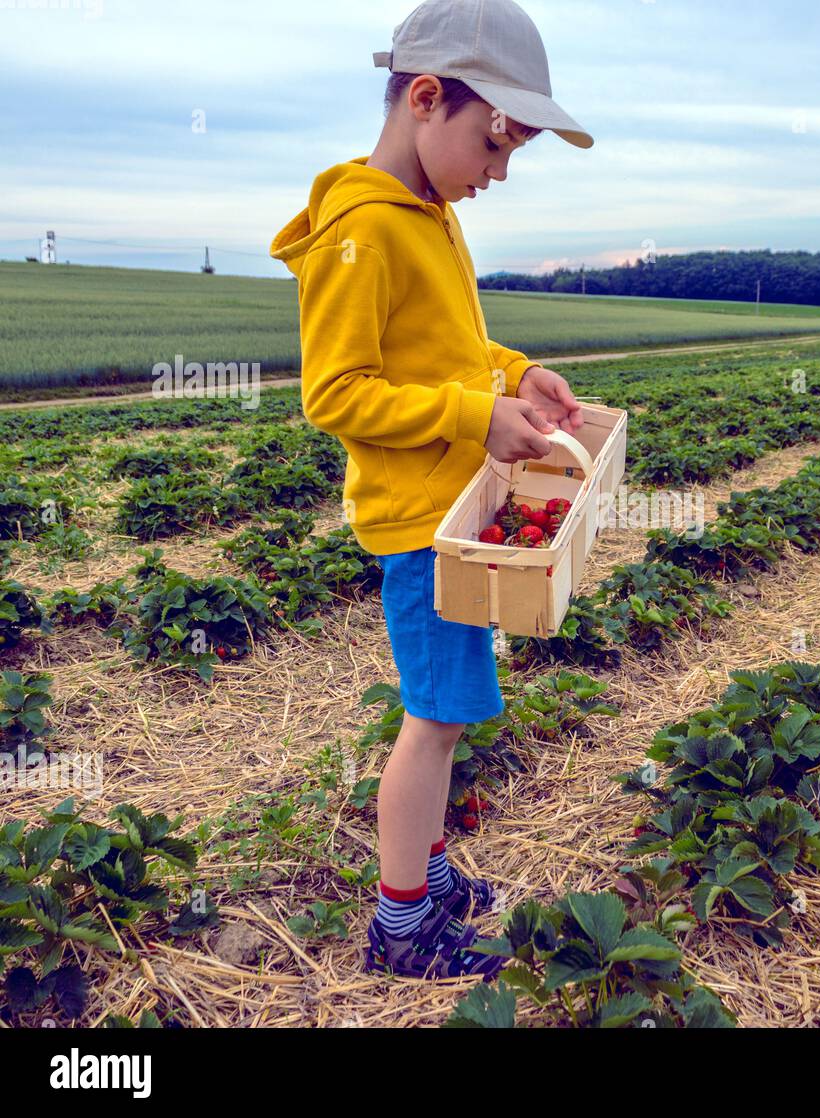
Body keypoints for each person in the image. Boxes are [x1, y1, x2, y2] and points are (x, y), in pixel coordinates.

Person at [269, 0, 593, 981]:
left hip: (455, 512)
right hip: (420, 525)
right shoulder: (362, 232)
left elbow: (450, 352)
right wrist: (469, 414)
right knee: (434, 718)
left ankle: (431, 871)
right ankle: (402, 921)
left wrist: (515, 373)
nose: (498, 173)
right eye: (498, 145)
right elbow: (335, 391)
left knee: (446, 708)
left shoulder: (428, 217)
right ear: (425, 99)